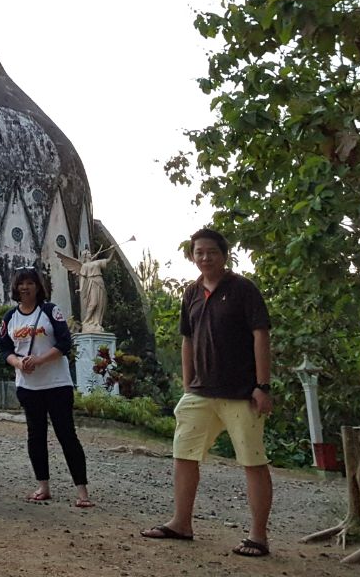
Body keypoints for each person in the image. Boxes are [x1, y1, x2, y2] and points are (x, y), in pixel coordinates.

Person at [141, 228, 273, 557]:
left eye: (211, 252)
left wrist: (263, 385)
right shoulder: (191, 293)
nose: (204, 257)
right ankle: (181, 523)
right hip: (200, 392)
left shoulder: (243, 289)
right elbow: (187, 339)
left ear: (223, 255)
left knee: (252, 461)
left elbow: (261, 335)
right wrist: (187, 384)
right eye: (199, 252)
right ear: (192, 256)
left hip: (241, 392)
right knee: (184, 456)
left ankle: (258, 536)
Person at [0, 266, 92, 507]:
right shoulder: (10, 317)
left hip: (57, 384)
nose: (25, 287)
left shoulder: (51, 311)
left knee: (66, 435)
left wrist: (39, 360)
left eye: (30, 283)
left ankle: (82, 492)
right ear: (15, 288)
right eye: (21, 283)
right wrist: (18, 363)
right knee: (35, 436)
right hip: (28, 386)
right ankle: (43, 486)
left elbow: (64, 342)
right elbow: (5, 349)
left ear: (38, 286)